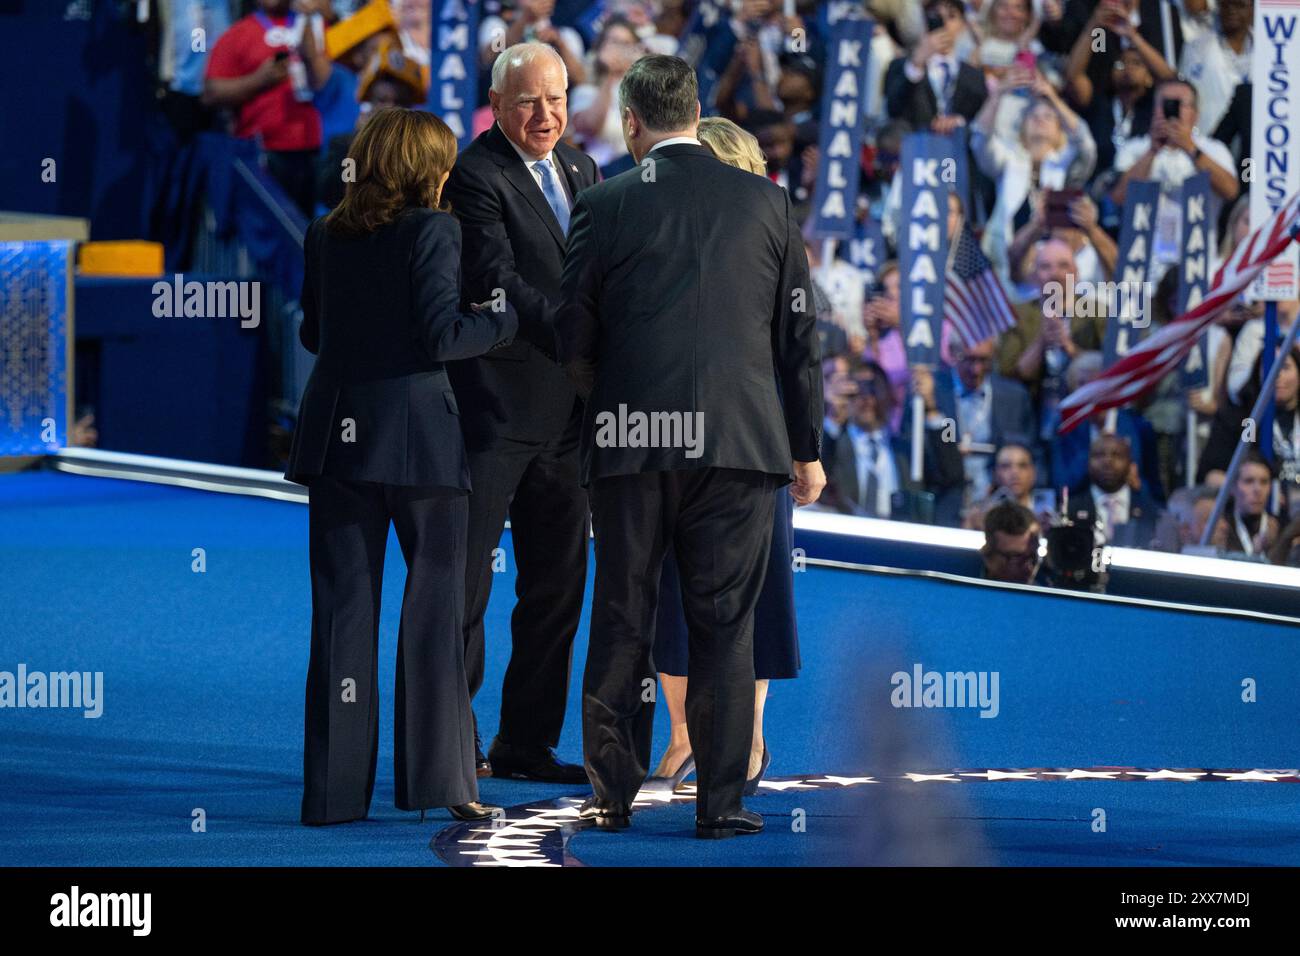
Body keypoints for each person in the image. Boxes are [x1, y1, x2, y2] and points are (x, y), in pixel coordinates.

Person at [558, 54, 824, 838]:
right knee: (725, 624)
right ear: (698, 109)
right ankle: (723, 805)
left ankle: (611, 798)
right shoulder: (768, 203)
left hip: (632, 447)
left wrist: (604, 405)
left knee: (622, 616)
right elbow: (799, 340)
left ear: (631, 121)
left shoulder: (603, 205)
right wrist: (805, 450)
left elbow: (573, 336)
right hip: (742, 448)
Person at [285, 108, 517, 826]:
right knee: (434, 610)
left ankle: (331, 795)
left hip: (336, 439)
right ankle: (443, 783)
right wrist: (502, 317)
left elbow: (313, 331)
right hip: (419, 442)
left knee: (342, 614)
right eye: (444, 160)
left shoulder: (326, 231)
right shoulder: (434, 229)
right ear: (426, 167)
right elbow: (443, 335)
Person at [443, 42, 599, 784]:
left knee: (557, 584)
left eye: (558, 99)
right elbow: (495, 281)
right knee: (465, 586)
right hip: (495, 411)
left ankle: (524, 744)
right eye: (531, 102)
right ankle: (449, 742)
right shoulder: (475, 176)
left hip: (569, 416)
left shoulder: (582, 168)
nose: (547, 115)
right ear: (499, 107)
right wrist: (577, 337)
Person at [646, 117, 801, 795]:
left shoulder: (771, 226)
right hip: (665, 437)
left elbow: (797, 344)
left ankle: (751, 733)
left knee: (755, 592)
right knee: (668, 589)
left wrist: (807, 448)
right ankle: (682, 735)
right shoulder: (657, 229)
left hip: (753, 438)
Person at [203, 0, 333, 215]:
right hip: (265, 153)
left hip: (320, 149)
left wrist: (330, 16)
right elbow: (210, 93)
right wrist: (258, 80)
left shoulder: (319, 26)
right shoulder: (238, 34)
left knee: (319, 233)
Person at [979, 501, 1043, 585]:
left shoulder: (1050, 593)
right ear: (989, 556)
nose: (1029, 568)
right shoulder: (964, 590)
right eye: (1017, 558)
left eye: (1033, 556)